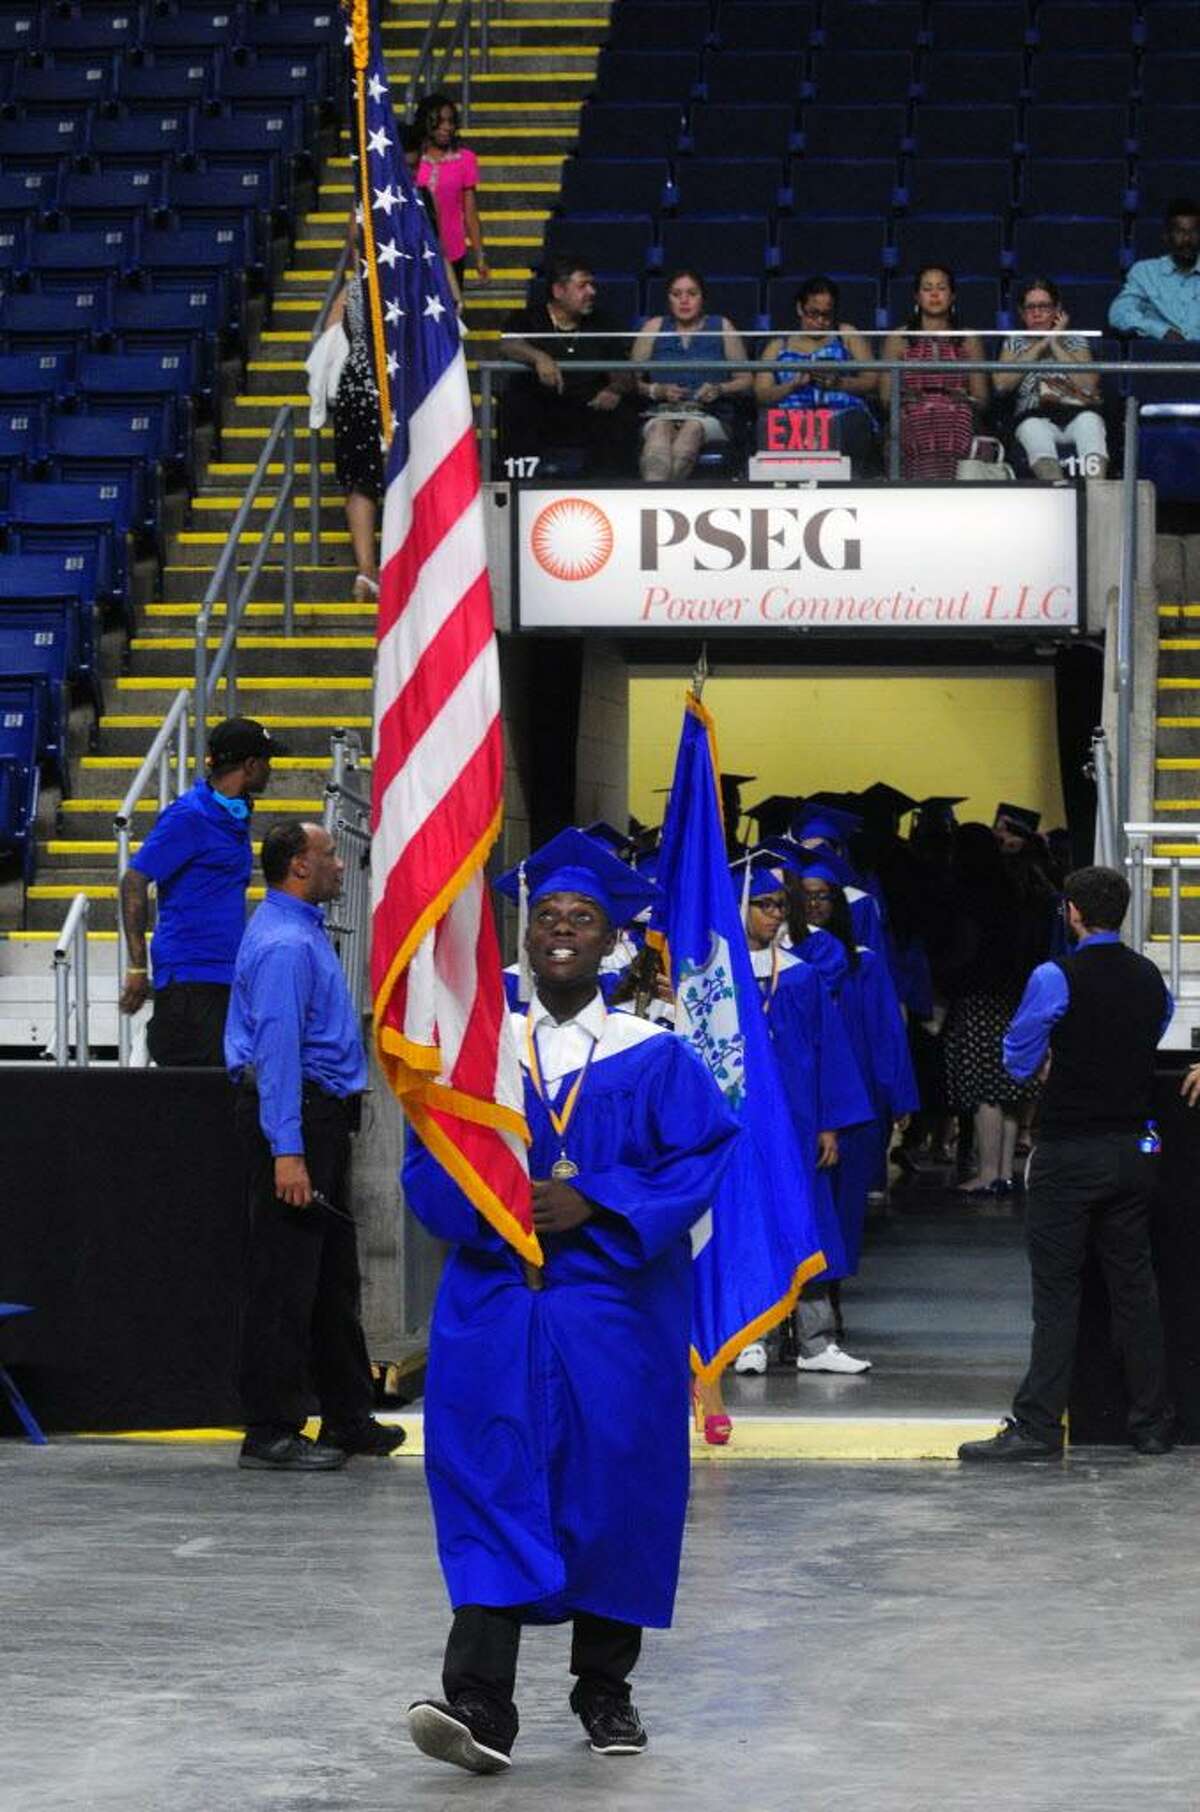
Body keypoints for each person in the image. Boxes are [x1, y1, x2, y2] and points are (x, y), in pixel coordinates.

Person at [402, 829, 739, 1773]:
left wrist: (597, 1200)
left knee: (615, 1488)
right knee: (487, 1478)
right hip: (498, 1307)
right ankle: (479, 1705)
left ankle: (605, 1691)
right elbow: (424, 1168)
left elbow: (702, 1158)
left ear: (611, 943)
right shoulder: (480, 1055)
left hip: (611, 1313)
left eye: (581, 918)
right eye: (547, 915)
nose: (561, 930)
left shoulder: (653, 1056)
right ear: (523, 935)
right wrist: (502, 1206)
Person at [959, 866, 1175, 1462]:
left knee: (1057, 1292)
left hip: (1069, 1152)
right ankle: (1153, 1422)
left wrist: (1055, 1055)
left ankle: (1037, 1426)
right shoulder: (1150, 976)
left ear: (1073, 913)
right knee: (1136, 1289)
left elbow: (1017, 1060)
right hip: (1134, 1150)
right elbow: (1151, 1030)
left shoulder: (1055, 976)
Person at [225, 821, 404, 1471]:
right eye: (329, 855)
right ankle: (269, 1428)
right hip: (295, 1117)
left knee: (330, 1276)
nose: (339, 865)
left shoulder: (297, 932)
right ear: (299, 866)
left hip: (318, 1118)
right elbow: (276, 1053)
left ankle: (347, 1415)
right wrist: (288, 1151)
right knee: (284, 1279)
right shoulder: (283, 945)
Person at [733, 851, 874, 1378]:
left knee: (809, 1224)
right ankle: (752, 1338)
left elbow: (828, 1053)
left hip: (795, 1126)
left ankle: (816, 1342)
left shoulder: (799, 977)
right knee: (752, 1226)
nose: (775, 915)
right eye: (764, 905)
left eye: (780, 905)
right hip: (739, 1128)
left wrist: (830, 1123)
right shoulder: (713, 982)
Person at [118, 716, 282, 1067]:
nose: (271, 768)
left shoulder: (232, 816)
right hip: (190, 981)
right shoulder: (189, 816)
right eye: (267, 760)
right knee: (198, 1099)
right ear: (250, 765)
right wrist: (136, 966)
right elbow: (134, 880)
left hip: (222, 976)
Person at [499, 254, 637, 476]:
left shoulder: (602, 322)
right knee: (515, 405)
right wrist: (539, 357)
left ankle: (609, 490)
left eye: (592, 285)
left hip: (590, 409)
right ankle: (518, 483)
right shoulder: (528, 318)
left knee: (622, 415)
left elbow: (623, 372)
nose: (592, 292)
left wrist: (614, 389)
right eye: (583, 286)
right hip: (542, 408)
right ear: (558, 291)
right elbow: (508, 344)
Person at [629, 268, 752, 480]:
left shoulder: (722, 326)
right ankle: (653, 500)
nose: (684, 301)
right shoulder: (654, 327)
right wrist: (655, 390)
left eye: (692, 294)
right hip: (662, 412)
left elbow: (747, 380)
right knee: (658, 434)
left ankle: (663, 503)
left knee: (690, 432)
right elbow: (629, 381)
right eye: (676, 295)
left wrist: (719, 388)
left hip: (708, 415)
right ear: (668, 299)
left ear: (702, 298)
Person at [754, 274, 879, 474]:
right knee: (769, 423)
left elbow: (872, 380)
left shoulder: (845, 335)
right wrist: (792, 386)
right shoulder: (778, 346)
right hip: (792, 420)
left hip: (841, 416)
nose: (820, 321)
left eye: (826, 315)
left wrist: (838, 383)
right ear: (799, 308)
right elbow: (761, 394)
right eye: (813, 314)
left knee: (852, 423)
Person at [879, 265, 989, 480]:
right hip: (910, 413)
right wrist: (907, 400)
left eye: (941, 288)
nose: (935, 294)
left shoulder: (968, 338)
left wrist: (963, 399)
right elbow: (885, 398)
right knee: (915, 422)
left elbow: (982, 399)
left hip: (959, 414)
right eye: (928, 288)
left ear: (952, 296)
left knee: (954, 419)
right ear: (917, 297)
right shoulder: (898, 338)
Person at [996, 277, 1108, 480]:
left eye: (1044, 306)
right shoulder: (1015, 343)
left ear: (1057, 310)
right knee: (1033, 429)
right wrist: (1042, 343)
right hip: (1033, 416)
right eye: (1030, 307)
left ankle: (1095, 495)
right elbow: (1001, 385)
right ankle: (1056, 494)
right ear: (1022, 313)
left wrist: (1055, 343)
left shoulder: (1075, 340)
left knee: (1091, 422)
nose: (1037, 313)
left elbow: (1089, 385)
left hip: (1076, 413)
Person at [416, 91, 488, 291]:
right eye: (440, 122)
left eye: (451, 122)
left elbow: (470, 212)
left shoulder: (465, 159)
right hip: (416, 249)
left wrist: (480, 256)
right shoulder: (413, 160)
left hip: (452, 250)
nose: (447, 128)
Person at [1109, 196, 1200, 343]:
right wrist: (1161, 331)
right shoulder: (1145, 272)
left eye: (1194, 232)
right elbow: (1119, 313)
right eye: (1179, 232)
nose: (1187, 240)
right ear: (1166, 236)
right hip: (1160, 358)